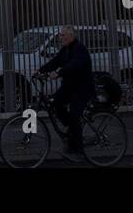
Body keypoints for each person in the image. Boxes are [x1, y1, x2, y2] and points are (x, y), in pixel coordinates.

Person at [35, 25, 95, 161]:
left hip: (82, 88)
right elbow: (55, 62)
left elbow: (74, 65)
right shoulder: (65, 49)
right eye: (60, 35)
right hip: (69, 87)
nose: (60, 37)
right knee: (55, 103)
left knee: (74, 114)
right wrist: (40, 71)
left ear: (71, 36)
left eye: (63, 35)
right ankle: (71, 130)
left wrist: (59, 73)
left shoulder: (80, 49)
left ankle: (79, 150)